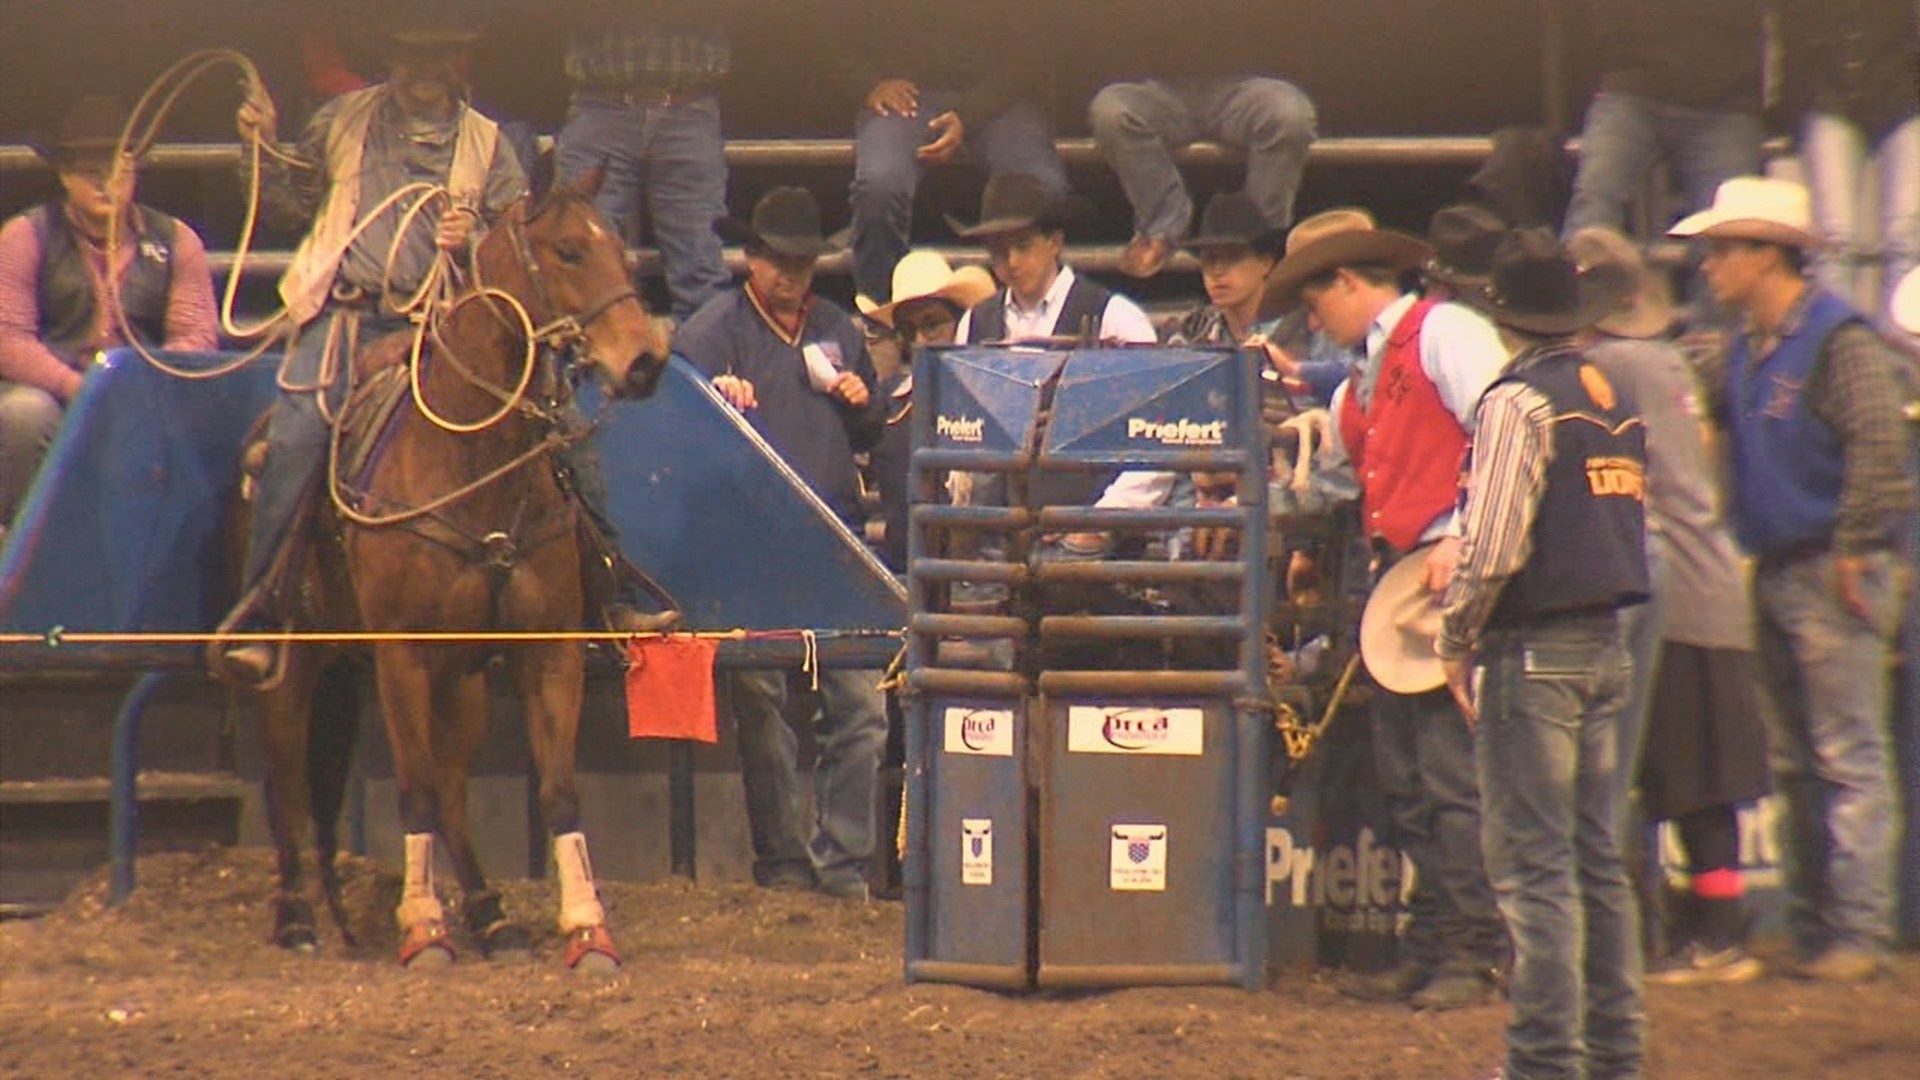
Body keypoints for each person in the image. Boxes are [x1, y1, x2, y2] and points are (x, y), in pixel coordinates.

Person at [220, 11, 529, 682]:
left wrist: (470, 242)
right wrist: (260, 147)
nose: (424, 69)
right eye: (410, 53)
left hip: (443, 327)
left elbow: (518, 259)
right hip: (347, 319)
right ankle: (262, 613)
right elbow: (288, 207)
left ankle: (589, 595)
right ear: (388, 56)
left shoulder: (491, 146)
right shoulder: (341, 120)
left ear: (459, 60)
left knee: (542, 431)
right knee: (297, 437)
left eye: (439, 52)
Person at [1670, 176, 1918, 981]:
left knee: (1843, 756)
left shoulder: (1836, 340)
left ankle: (1858, 933)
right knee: (1804, 761)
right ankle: (1826, 931)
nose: (1708, 267)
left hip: (1827, 563)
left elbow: (1882, 446)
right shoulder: (1752, 344)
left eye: (1720, 252)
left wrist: (1856, 545)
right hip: (1784, 562)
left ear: (1764, 255)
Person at [1265, 208, 1508, 1010]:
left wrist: (1469, 537)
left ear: (1348, 283)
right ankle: (1437, 941)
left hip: (1439, 569)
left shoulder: (1446, 333)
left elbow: (1502, 430)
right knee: (1410, 777)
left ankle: (1470, 950)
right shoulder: (1368, 369)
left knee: (1444, 774)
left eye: (1316, 299)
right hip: (1400, 573)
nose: (1312, 318)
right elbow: (1343, 466)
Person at [1438, 227, 1651, 1080]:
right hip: (1605, 639)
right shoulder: (1612, 395)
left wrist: (1456, 635)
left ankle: (1543, 1063)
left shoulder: (1514, 401)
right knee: (1597, 859)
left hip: (1534, 649)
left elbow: (1490, 545)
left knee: (1534, 867)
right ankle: (1612, 1054)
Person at [1568, 225, 1772, 984]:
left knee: (1683, 778)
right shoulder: (1663, 358)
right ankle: (1703, 927)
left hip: (1672, 588)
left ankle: (1714, 934)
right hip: (1704, 580)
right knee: (1693, 776)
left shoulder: (1612, 363)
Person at [673, 187, 889, 899]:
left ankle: (842, 868)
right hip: (748, 544)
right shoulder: (710, 333)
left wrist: (863, 399)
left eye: (802, 260)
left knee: (860, 706)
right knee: (763, 706)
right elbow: (675, 435)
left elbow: (870, 433)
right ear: (752, 260)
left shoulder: (837, 329)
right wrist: (710, 401)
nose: (792, 273)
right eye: (778, 260)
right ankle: (789, 865)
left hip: (830, 535)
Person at [0, 95, 218, 535]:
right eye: (90, 173)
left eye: (119, 170)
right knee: (24, 415)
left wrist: (147, 385)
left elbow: (195, 335)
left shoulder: (175, 239)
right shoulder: (26, 235)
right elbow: (8, 338)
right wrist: (76, 386)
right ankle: (21, 542)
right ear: (64, 176)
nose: (107, 184)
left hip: (145, 393)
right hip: (54, 393)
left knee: (201, 425)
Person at [838, 1, 1066, 306]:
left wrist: (970, 112)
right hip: (907, 98)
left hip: (1000, 97)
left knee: (1044, 188)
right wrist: (866, 84)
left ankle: (1031, 319)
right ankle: (883, 324)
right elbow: (814, 25)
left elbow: (1042, 42)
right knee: (879, 186)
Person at [1560, 0, 1766, 328]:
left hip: (1726, 100)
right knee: (1592, 209)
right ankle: (1569, 339)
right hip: (1631, 87)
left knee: (1725, 232)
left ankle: (1712, 363)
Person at [553, 1, 734, 321]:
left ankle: (707, 368)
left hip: (688, 105)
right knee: (579, 254)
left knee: (700, 263)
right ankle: (582, 370)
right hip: (601, 105)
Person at [1782, 0, 1920, 353]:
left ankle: (1902, 363)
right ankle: (1838, 354)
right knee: (1834, 239)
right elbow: (1789, 26)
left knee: (1905, 237)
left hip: (1905, 94)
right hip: (1828, 95)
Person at [1089, 68, 1316, 280]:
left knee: (1289, 115)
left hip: (1245, 80)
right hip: (1156, 84)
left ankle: (1261, 241)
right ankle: (1163, 225)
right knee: (1112, 112)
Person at [856, 250, 996, 572]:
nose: (920, 341)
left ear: (960, 323)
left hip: (980, 577)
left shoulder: (991, 399)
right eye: (907, 331)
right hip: (906, 575)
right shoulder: (888, 405)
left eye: (932, 324)